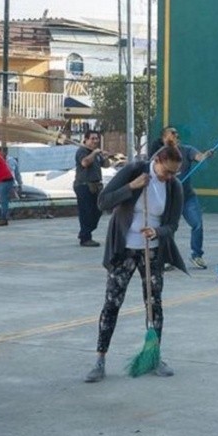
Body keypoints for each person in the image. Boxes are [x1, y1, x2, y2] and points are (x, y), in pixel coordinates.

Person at [83, 141, 189, 383]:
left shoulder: (175, 187)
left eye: (175, 173)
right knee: (112, 303)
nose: (170, 177)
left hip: (151, 252)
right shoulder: (134, 171)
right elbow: (103, 201)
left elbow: (172, 225)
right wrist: (131, 186)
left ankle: (153, 356)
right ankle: (100, 360)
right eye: (167, 171)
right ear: (157, 162)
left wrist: (158, 232)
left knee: (154, 304)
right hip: (124, 249)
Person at [151, 127, 213, 269]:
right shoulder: (159, 155)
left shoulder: (187, 150)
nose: (176, 135)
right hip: (168, 199)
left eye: (177, 133)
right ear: (164, 138)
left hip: (187, 197)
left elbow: (199, 157)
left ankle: (196, 255)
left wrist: (205, 156)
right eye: (172, 133)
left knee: (197, 224)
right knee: (168, 229)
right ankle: (167, 258)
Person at [74, 131, 110, 247]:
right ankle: (85, 238)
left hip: (96, 186)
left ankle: (85, 232)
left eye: (97, 139)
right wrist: (94, 153)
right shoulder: (82, 151)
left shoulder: (96, 153)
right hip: (84, 185)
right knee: (86, 212)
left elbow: (106, 165)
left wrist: (105, 157)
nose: (95, 141)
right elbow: (84, 163)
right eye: (92, 139)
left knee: (97, 211)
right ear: (86, 140)